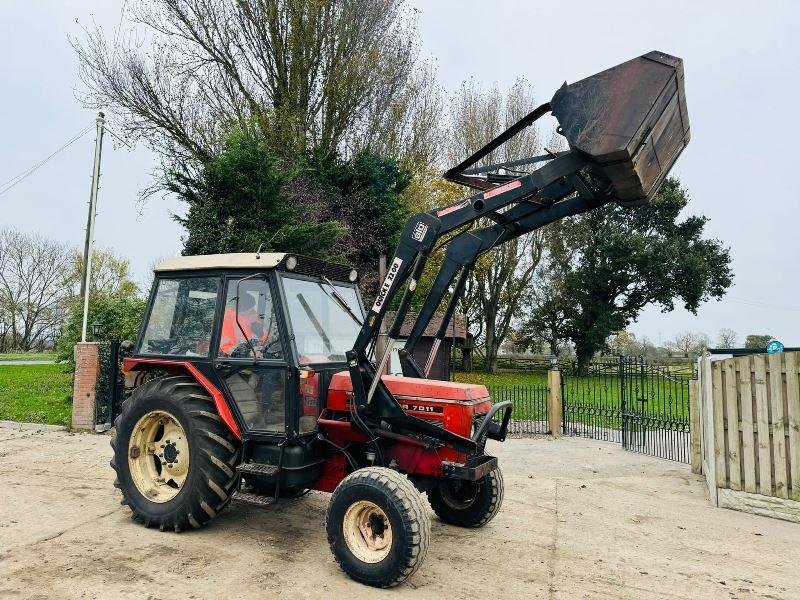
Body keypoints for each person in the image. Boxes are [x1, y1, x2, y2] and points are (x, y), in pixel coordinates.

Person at [219, 286, 268, 357]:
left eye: (252, 309)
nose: (253, 311)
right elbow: (226, 347)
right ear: (243, 308)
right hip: (230, 358)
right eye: (250, 309)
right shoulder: (227, 318)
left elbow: (261, 337)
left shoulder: (246, 318)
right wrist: (248, 353)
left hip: (247, 355)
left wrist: (255, 324)